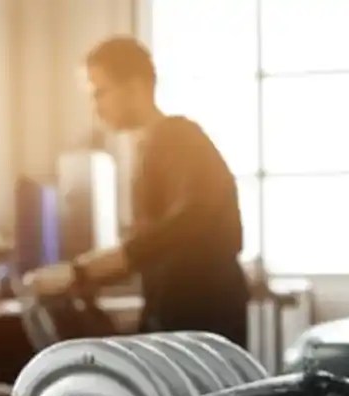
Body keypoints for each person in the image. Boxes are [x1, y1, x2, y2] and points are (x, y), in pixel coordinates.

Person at [24, 35, 250, 347]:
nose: (95, 108)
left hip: (202, 316)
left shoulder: (179, 138)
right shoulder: (150, 148)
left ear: (135, 87)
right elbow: (154, 247)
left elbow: (186, 223)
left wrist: (81, 272)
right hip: (177, 315)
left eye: (100, 93)